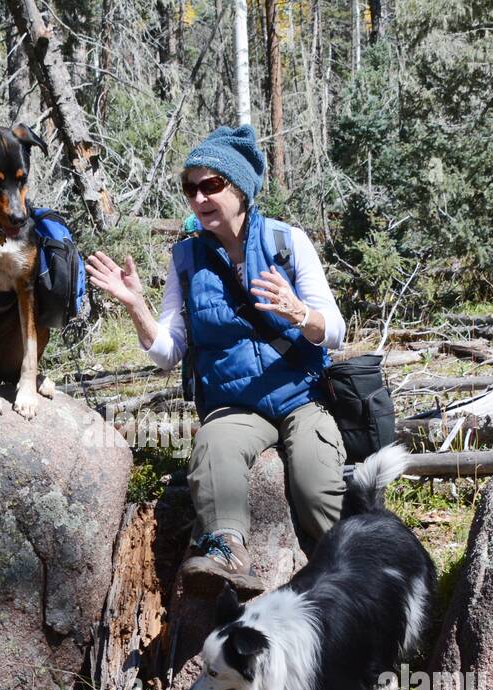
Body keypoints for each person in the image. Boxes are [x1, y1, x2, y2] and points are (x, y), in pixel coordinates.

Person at [86, 124, 347, 597]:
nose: (200, 197)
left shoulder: (288, 241)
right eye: (191, 188)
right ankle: (228, 554)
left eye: (212, 185)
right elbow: (168, 353)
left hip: (300, 396)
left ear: (241, 188)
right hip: (233, 405)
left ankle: (351, 565)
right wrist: (136, 307)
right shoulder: (185, 259)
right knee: (214, 445)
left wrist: (299, 312)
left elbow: (336, 330)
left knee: (314, 486)